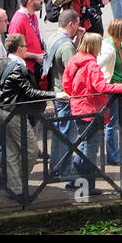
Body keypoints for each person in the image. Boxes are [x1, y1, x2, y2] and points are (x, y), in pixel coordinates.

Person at [62, 32, 122, 195]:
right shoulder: (91, 64)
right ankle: (87, 186)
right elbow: (101, 86)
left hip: (78, 107)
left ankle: (75, 181)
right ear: (94, 45)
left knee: (85, 146)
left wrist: (76, 95)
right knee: (91, 149)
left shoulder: (75, 59)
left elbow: (66, 82)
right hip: (91, 110)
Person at [0, 33, 56, 203]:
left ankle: (15, 188)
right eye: (25, 46)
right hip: (15, 113)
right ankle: (18, 184)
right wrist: (54, 94)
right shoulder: (17, 67)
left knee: (12, 152)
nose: (27, 49)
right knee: (31, 151)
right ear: (20, 48)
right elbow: (29, 92)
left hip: (6, 111)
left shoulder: (3, 62)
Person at [43, 10, 81, 179]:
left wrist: (77, 40)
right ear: (71, 24)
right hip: (67, 96)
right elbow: (73, 70)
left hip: (57, 91)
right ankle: (65, 171)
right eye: (77, 24)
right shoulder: (67, 46)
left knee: (60, 133)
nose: (78, 28)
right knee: (68, 135)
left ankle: (55, 167)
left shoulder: (52, 38)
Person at [98, 19, 122, 167]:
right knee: (112, 123)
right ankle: (113, 156)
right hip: (112, 89)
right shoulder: (110, 48)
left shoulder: (119, 45)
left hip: (120, 88)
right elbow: (97, 65)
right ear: (119, 33)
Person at [6, 0, 46, 74]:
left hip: (36, 66)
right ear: (30, 2)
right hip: (26, 70)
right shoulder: (18, 21)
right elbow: (14, 50)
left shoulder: (33, 16)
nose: (42, 1)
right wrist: (35, 56)